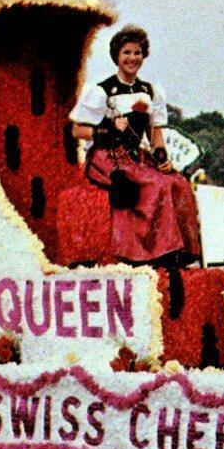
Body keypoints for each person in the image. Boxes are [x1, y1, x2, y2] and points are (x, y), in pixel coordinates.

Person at [68, 25, 200, 267]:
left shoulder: (150, 91)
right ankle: (149, 253)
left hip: (135, 156)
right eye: (126, 52)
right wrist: (107, 128)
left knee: (177, 183)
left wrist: (163, 160)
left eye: (137, 53)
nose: (132, 58)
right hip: (106, 157)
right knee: (154, 185)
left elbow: (155, 133)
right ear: (116, 56)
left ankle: (182, 253)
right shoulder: (102, 91)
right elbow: (77, 130)